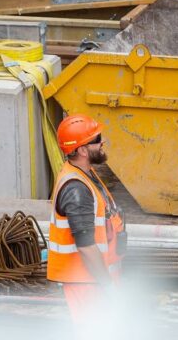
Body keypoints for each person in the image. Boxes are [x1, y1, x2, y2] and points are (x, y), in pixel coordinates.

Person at [47, 114, 126, 323]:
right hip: (88, 285)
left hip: (94, 281)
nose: (102, 142)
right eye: (97, 139)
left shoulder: (84, 174)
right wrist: (108, 286)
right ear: (82, 150)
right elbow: (86, 246)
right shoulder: (77, 189)